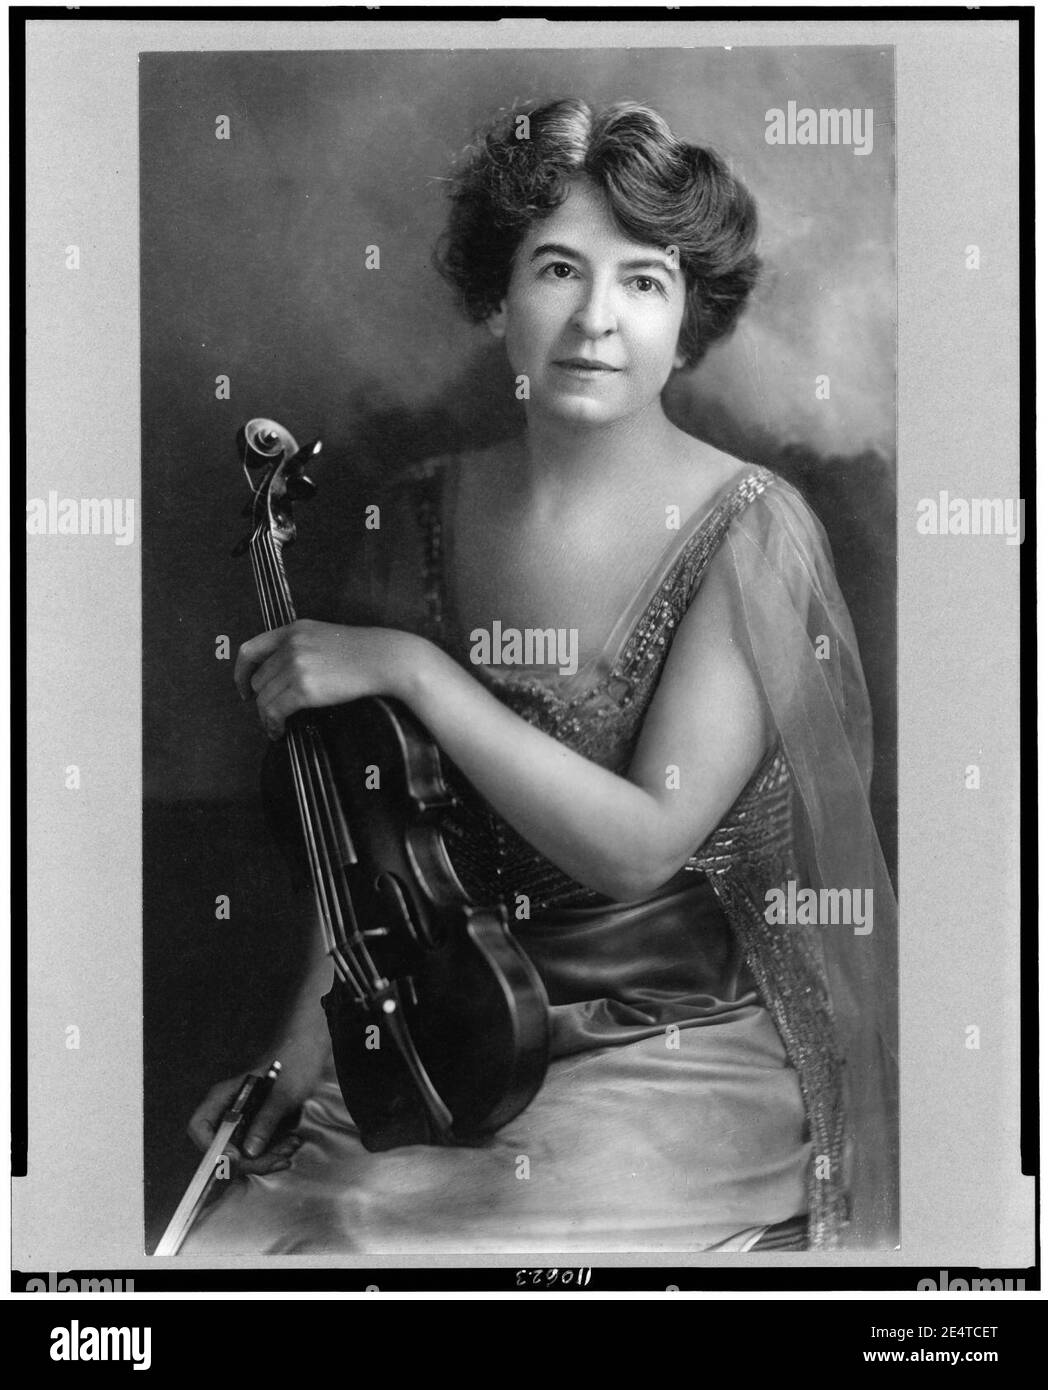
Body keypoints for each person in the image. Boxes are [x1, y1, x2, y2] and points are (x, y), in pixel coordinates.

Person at [181, 98, 898, 1255]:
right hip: (446, 1033)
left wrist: (417, 671)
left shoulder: (751, 529)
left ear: (688, 317)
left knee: (422, 1247)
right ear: (497, 296)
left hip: (667, 1048)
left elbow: (643, 845)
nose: (596, 321)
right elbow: (361, 845)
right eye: (558, 269)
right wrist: (301, 1053)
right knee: (247, 1239)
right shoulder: (413, 507)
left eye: (644, 283)